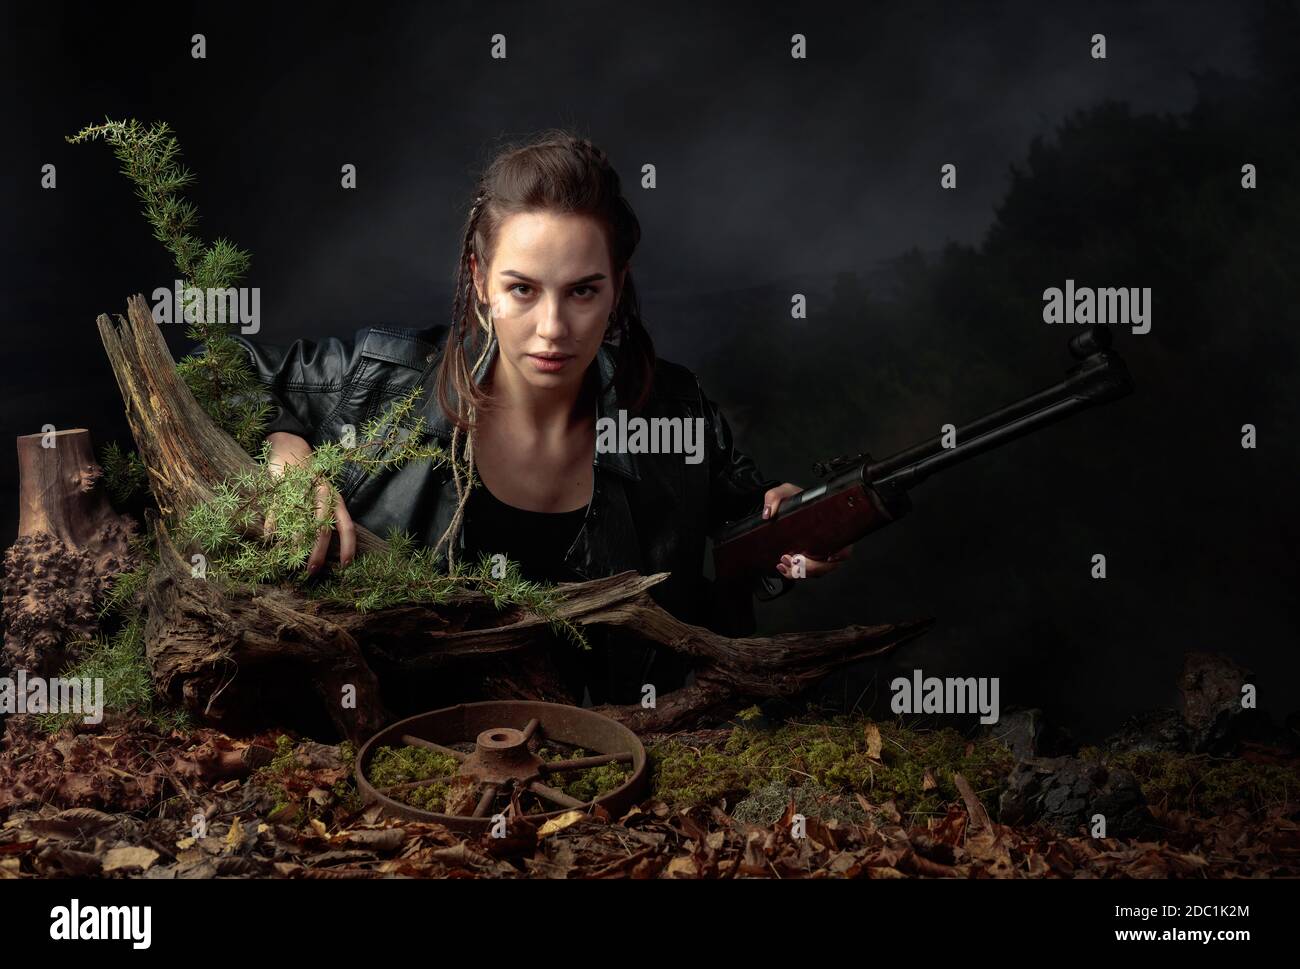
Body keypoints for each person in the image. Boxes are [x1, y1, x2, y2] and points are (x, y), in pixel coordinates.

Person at [232, 130, 851, 705]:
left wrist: (796, 536)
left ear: (616, 287)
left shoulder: (671, 414)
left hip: (618, 773)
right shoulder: (383, 382)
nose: (552, 330)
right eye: (523, 289)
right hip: (401, 765)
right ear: (480, 280)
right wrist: (288, 454)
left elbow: (751, 532)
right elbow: (221, 373)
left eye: (582, 290)